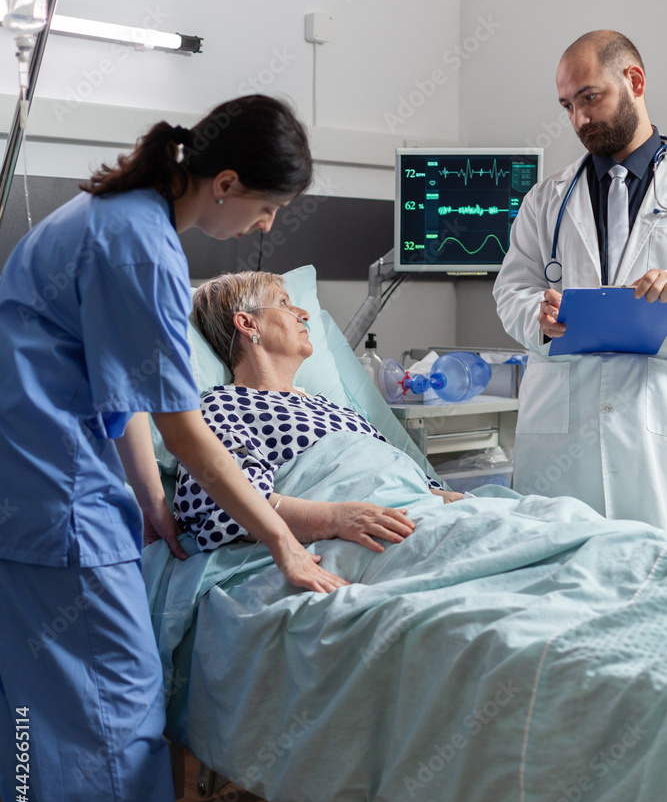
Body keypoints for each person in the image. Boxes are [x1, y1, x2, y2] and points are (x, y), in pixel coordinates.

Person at [0, 95, 347, 802]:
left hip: (27, 504)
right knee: (116, 722)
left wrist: (150, 501)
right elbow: (184, 429)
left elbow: (112, 383)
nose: (264, 225)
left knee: (37, 727)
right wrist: (281, 539)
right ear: (224, 182)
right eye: (265, 206)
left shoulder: (98, 216)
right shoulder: (141, 242)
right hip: (62, 510)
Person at [493, 30, 667, 528]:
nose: (579, 120)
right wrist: (538, 316)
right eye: (567, 106)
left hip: (652, 428)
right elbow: (512, 289)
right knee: (557, 557)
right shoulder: (546, 197)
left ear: (634, 81)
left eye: (590, 98)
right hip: (563, 438)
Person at [174, 270, 463, 552]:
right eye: (284, 302)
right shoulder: (225, 405)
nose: (304, 313)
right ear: (248, 324)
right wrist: (335, 518)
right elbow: (215, 502)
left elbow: (391, 472)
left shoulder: (330, 407)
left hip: (421, 512)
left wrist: (440, 495)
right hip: (369, 537)